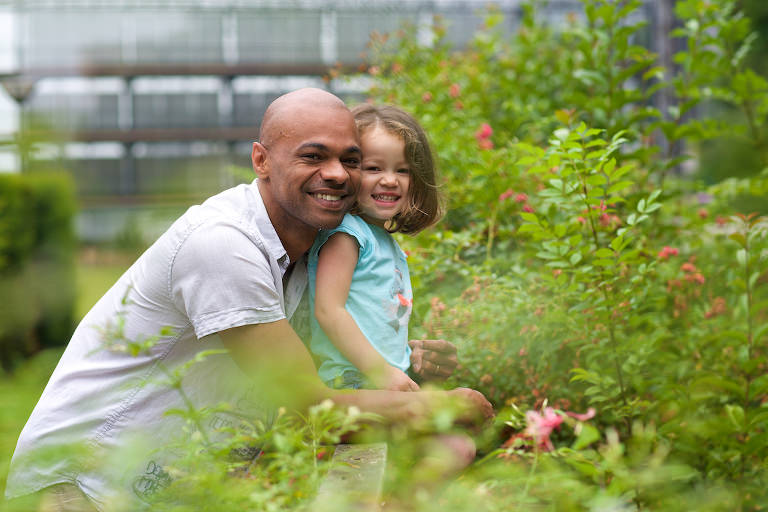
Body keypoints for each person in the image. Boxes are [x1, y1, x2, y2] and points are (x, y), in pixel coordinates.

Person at [5, 88, 493, 511]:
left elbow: (315, 347)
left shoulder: (311, 248)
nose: (337, 174)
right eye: (313, 156)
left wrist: (395, 358)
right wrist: (440, 409)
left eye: (349, 159)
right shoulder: (224, 245)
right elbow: (306, 403)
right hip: (84, 487)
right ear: (261, 160)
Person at [309, 104, 442, 392]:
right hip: (353, 380)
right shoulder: (347, 235)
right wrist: (381, 372)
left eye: (403, 170)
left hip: (381, 378)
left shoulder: (382, 240)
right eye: (373, 168)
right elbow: (329, 310)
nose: (390, 180)